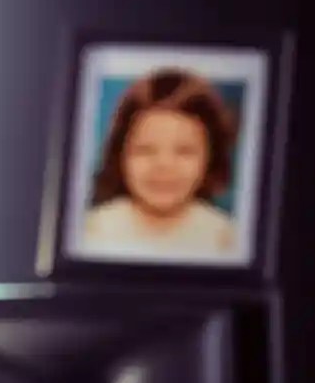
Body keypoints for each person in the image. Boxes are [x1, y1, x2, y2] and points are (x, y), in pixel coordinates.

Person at [82, 67, 238, 258]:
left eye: (184, 151)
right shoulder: (93, 231)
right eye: (145, 150)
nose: (164, 165)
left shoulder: (225, 238)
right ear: (120, 155)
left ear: (211, 157)